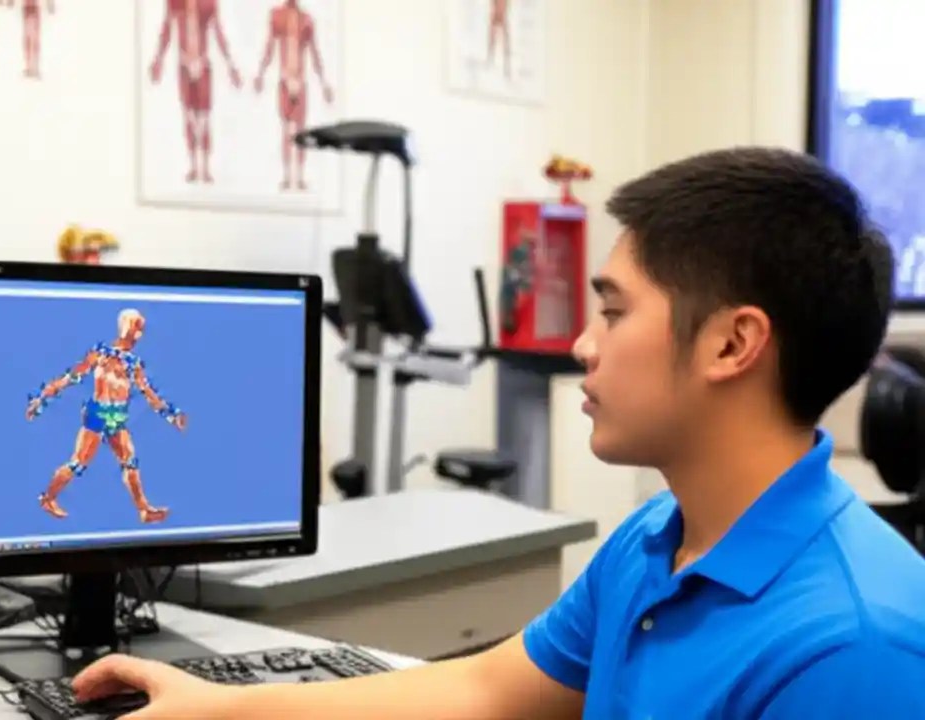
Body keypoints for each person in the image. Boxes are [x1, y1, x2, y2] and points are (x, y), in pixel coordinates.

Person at [69, 147, 925, 718]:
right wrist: (216, 706)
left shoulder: (854, 649)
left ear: (732, 344)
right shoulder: (656, 542)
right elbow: (482, 686)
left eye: (614, 312)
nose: (583, 344)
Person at [25, 309, 187, 524]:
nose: (138, 333)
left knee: (129, 462)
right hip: (97, 415)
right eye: (135, 326)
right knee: (78, 463)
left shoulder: (133, 364)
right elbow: (71, 377)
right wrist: (42, 398)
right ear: (126, 327)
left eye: (140, 328)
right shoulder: (101, 353)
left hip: (117, 418)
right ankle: (48, 498)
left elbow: (148, 394)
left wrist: (171, 415)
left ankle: (144, 510)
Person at [148, 0, 242, 184]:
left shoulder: (208, 3)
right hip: (184, 64)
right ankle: (194, 166)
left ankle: (205, 167)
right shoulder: (175, 3)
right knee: (189, 116)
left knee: (203, 118)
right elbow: (167, 28)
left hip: (202, 64)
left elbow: (218, 32)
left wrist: (231, 66)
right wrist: (158, 59)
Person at [253, 0, 334, 191]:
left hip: (300, 81)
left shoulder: (307, 20)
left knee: (300, 131)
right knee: (286, 131)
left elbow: (314, 54)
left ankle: (299, 177)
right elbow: (270, 47)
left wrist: (324, 84)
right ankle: (287, 176)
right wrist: (261, 74)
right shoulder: (277, 16)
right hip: (284, 81)